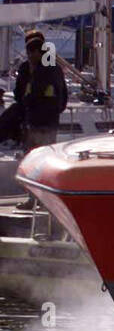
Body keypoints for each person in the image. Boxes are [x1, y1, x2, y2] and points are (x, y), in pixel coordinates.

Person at [14, 30, 68, 212]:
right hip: (43, 120)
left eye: (31, 51)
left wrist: (28, 107)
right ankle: (36, 200)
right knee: (38, 161)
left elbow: (29, 95)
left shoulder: (43, 69)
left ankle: (38, 201)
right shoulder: (51, 68)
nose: (29, 55)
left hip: (40, 121)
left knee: (36, 162)